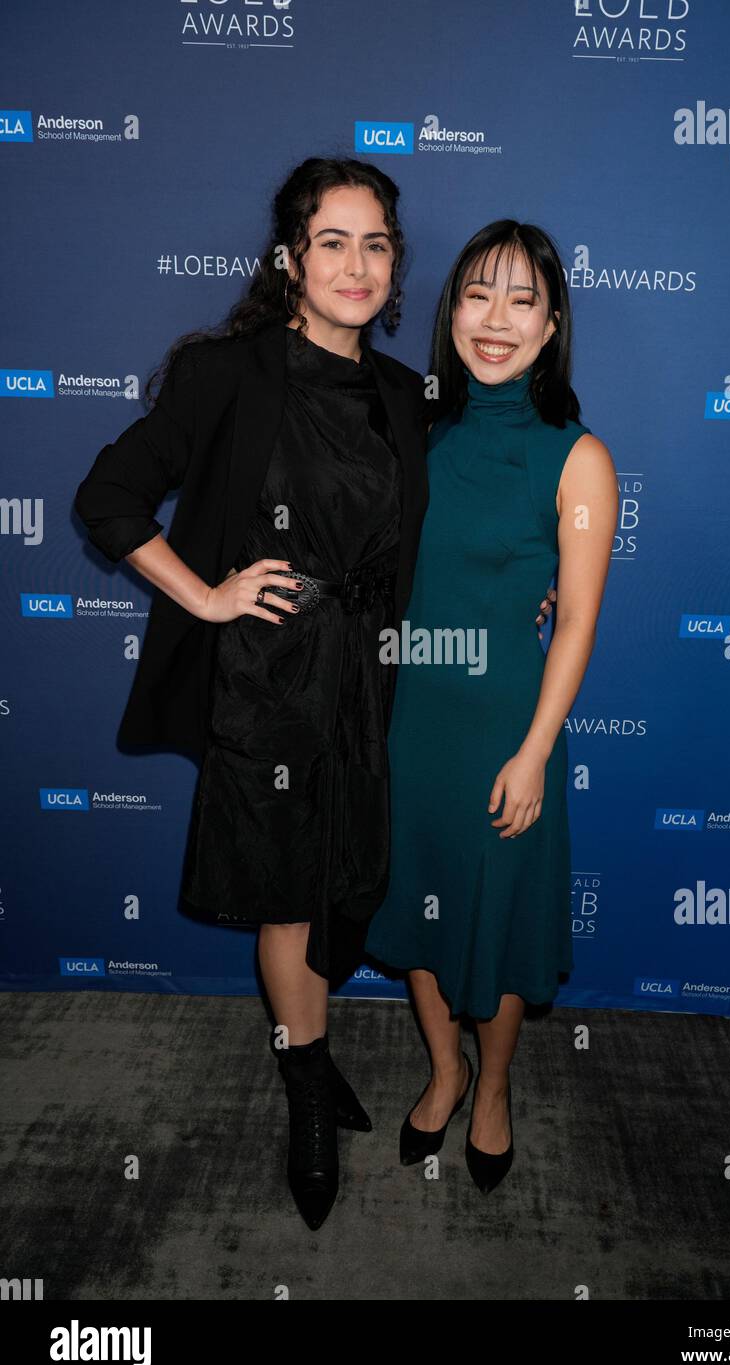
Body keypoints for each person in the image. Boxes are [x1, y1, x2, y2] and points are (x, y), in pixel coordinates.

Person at [74, 161, 554, 1231]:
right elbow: (106, 496)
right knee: (287, 895)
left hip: (376, 682)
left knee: (344, 884)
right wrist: (204, 595)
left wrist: (539, 582)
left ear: (394, 269)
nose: (355, 263)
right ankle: (302, 1086)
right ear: (291, 257)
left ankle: (314, 1045)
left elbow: (467, 509)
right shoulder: (227, 373)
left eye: (375, 242)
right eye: (330, 240)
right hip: (267, 682)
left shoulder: (401, 397)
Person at [365, 220, 619, 1193]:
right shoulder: (413, 430)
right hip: (409, 721)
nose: (496, 319)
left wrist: (533, 751)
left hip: (510, 730)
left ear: (551, 323)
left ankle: (495, 1085)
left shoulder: (578, 458)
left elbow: (578, 624)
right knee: (419, 907)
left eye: (522, 299)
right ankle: (442, 1070)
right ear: (451, 309)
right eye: (477, 294)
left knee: (498, 922)